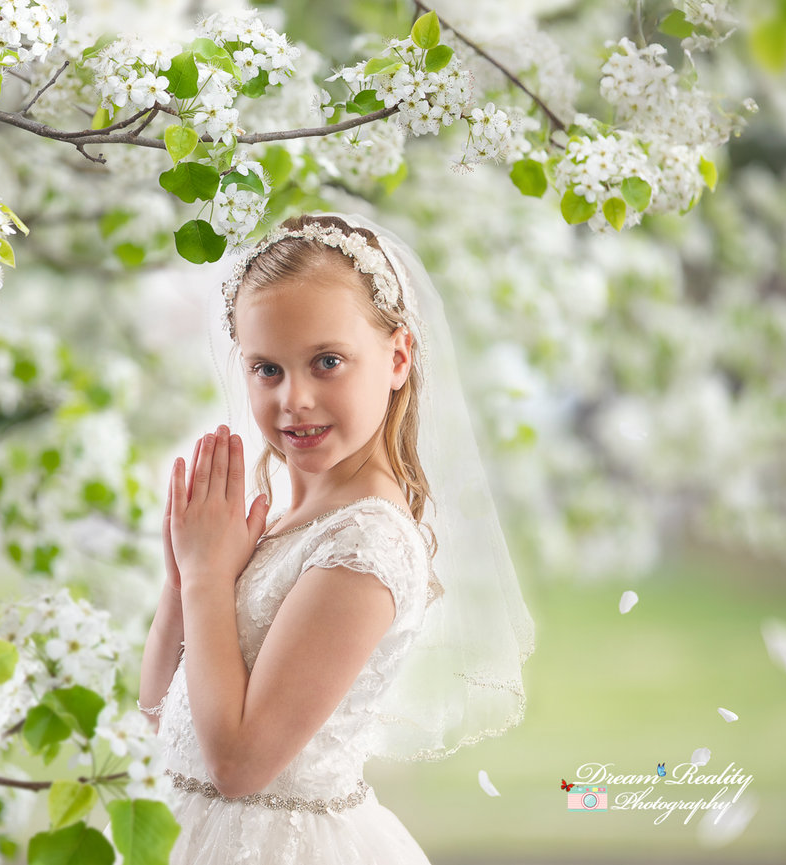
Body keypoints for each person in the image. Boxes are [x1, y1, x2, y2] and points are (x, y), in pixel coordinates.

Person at [137, 212, 535, 864]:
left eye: (327, 362)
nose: (294, 398)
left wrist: (209, 581)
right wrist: (184, 579)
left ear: (398, 357)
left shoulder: (365, 546)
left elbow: (238, 765)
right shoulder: (285, 524)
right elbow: (159, 715)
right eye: (267, 369)